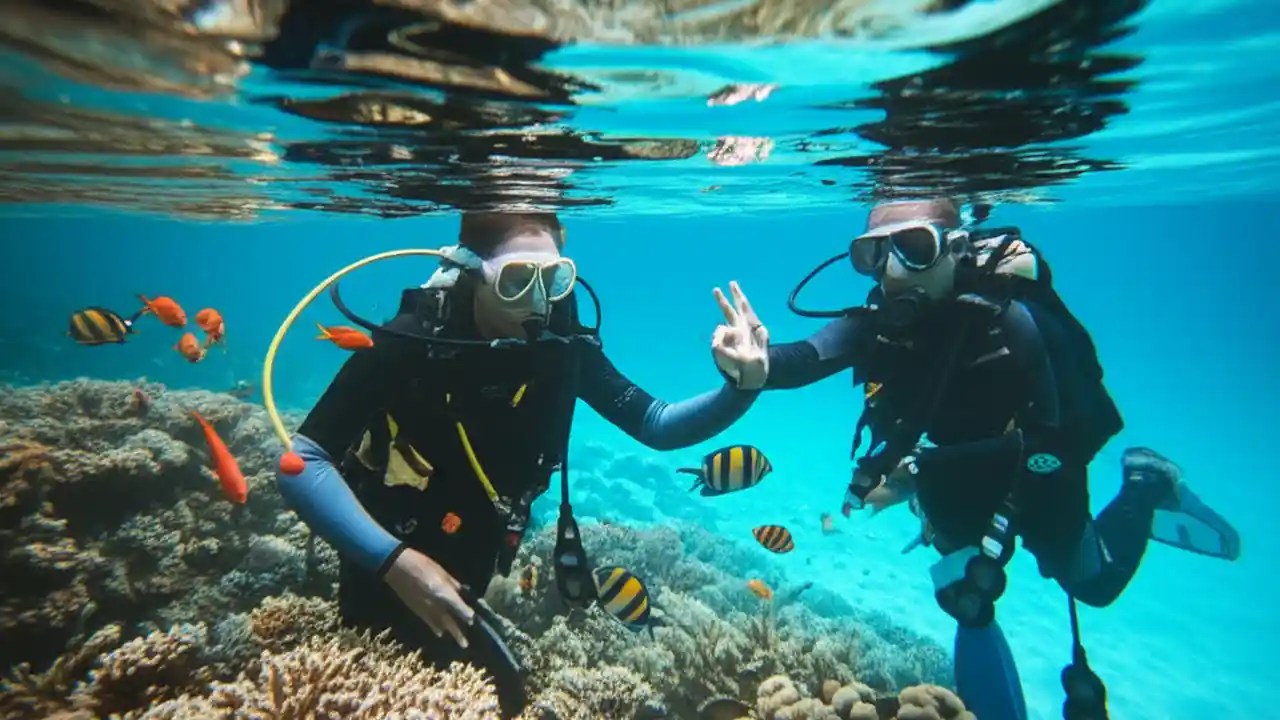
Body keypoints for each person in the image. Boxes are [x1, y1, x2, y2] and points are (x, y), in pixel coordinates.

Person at [709, 198, 1240, 720]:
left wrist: (943, 484)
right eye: (874, 254)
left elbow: (1072, 432)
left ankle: (1146, 482)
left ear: (956, 249)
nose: (893, 271)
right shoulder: (881, 325)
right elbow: (807, 356)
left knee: (1091, 583)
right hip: (948, 469)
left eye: (914, 248)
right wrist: (757, 369)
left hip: (1037, 469)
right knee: (964, 597)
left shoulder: (1015, 324)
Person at [276, 211, 762, 718]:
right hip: (382, 565)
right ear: (471, 270)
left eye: (552, 279)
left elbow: (656, 424)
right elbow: (301, 461)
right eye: (514, 279)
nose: (536, 299)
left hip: (478, 557)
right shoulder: (413, 342)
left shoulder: (563, 346)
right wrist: (395, 563)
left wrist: (742, 388)